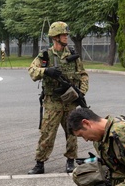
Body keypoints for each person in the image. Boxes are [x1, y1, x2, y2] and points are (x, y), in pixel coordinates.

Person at [27, 21, 90, 174]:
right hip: (52, 103)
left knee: (72, 132)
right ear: (55, 37)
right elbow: (32, 71)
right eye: (63, 35)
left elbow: (83, 75)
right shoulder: (45, 55)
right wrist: (46, 71)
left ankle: (70, 161)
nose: (66, 37)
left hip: (70, 103)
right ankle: (39, 163)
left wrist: (81, 92)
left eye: (66, 35)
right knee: (47, 134)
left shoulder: (73, 56)